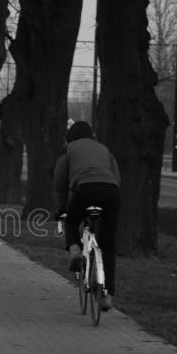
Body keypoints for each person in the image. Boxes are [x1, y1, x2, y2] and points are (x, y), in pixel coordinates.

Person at [53, 120, 120, 310]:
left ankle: (75, 250)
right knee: (108, 243)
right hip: (110, 192)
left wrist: (62, 208)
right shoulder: (105, 150)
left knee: (72, 221)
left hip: (85, 189)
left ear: (70, 137)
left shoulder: (68, 150)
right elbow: (117, 178)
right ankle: (107, 294)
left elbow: (60, 182)